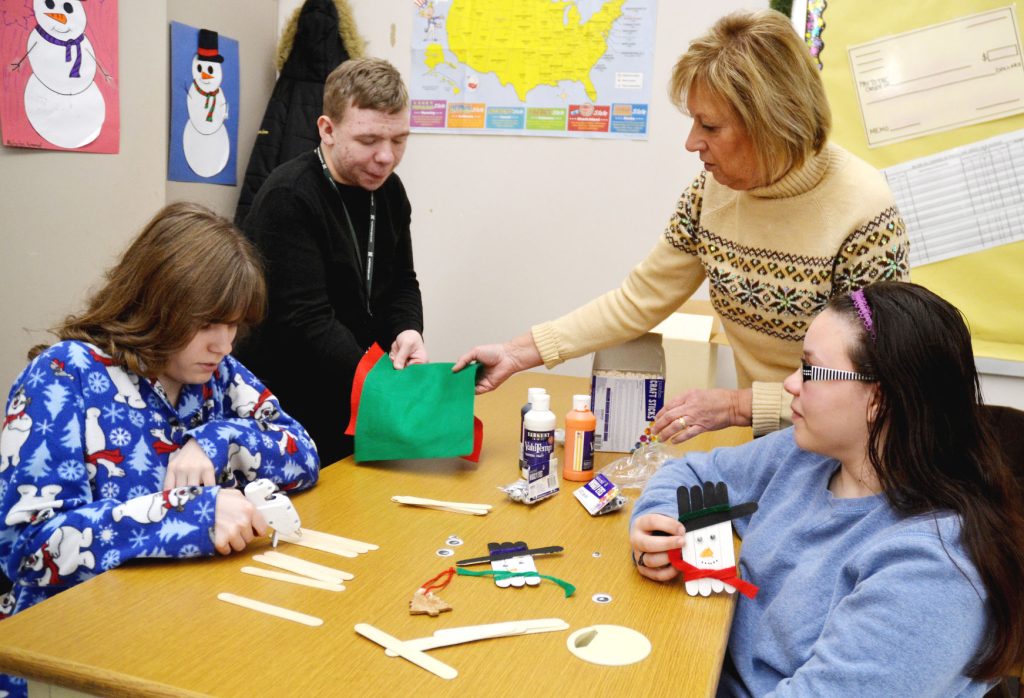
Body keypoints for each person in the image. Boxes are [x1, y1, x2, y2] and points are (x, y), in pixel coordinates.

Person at [455, 9, 909, 444]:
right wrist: (516, 353)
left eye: (709, 125)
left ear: (770, 123)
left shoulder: (864, 214)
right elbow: (637, 301)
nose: (692, 143)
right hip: (773, 441)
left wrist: (736, 406)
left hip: (852, 453)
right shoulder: (710, 193)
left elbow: (872, 385)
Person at [629, 281, 1024, 696]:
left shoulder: (932, 574)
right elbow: (691, 474)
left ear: (879, 400)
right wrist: (659, 527)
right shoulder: (809, 453)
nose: (790, 384)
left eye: (810, 369)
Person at [0, 203, 319, 698]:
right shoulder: (65, 375)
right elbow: (28, 549)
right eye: (209, 324)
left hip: (181, 627)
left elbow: (303, 452)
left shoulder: (216, 376)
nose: (225, 345)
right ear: (157, 303)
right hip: (67, 655)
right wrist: (191, 515)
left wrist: (215, 442)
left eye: (234, 326)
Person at [236, 57, 425, 466]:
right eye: (369, 140)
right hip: (292, 406)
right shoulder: (289, 196)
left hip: (358, 393)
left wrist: (409, 330)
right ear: (327, 130)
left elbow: (401, 282)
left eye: (399, 140)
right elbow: (307, 321)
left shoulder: (390, 192)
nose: (386, 158)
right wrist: (379, 384)